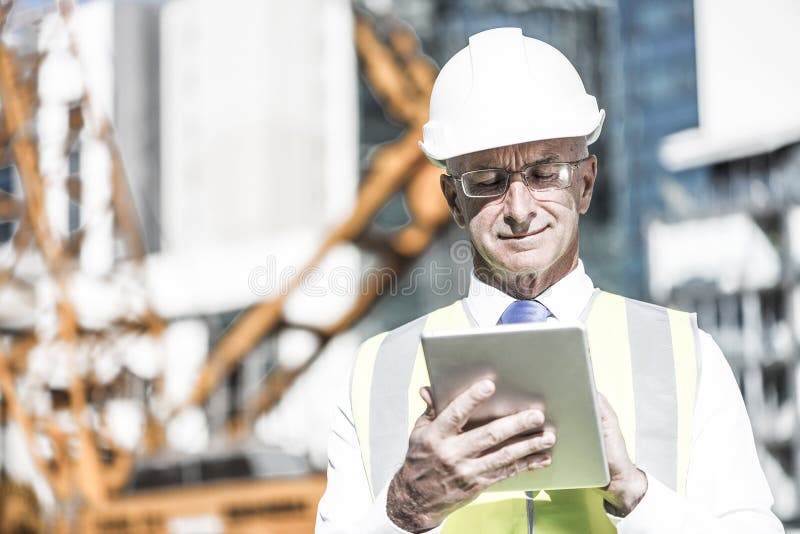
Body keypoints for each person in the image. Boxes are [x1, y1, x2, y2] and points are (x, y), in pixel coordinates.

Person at [315, 27, 783, 533]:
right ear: (453, 201)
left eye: (544, 173)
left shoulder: (686, 354)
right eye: (488, 181)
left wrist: (636, 492)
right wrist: (405, 507)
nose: (519, 209)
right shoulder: (375, 372)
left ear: (585, 183)